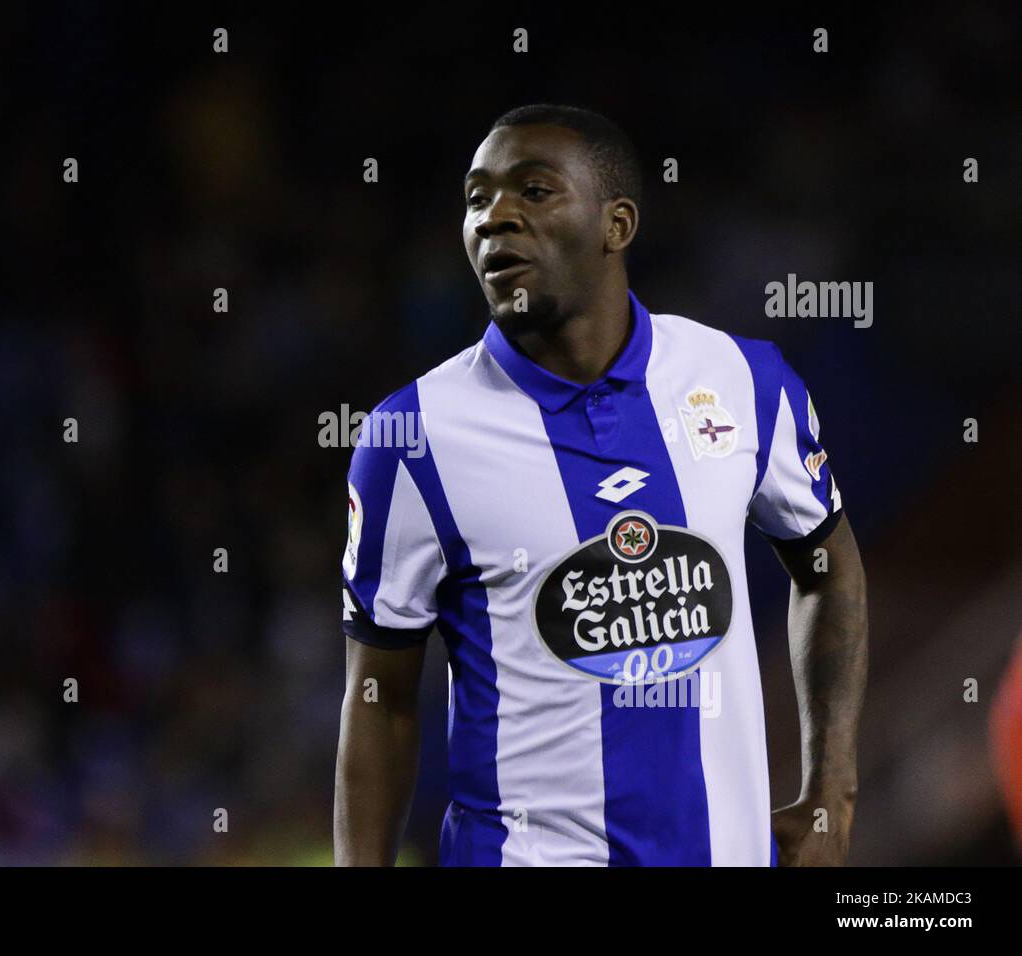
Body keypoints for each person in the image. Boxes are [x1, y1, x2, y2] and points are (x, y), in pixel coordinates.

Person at [333, 104, 868, 866]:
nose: (495, 218)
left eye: (534, 190)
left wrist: (831, 796)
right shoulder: (412, 436)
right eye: (476, 197)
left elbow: (827, 564)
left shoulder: (744, 382)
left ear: (617, 225)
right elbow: (378, 701)